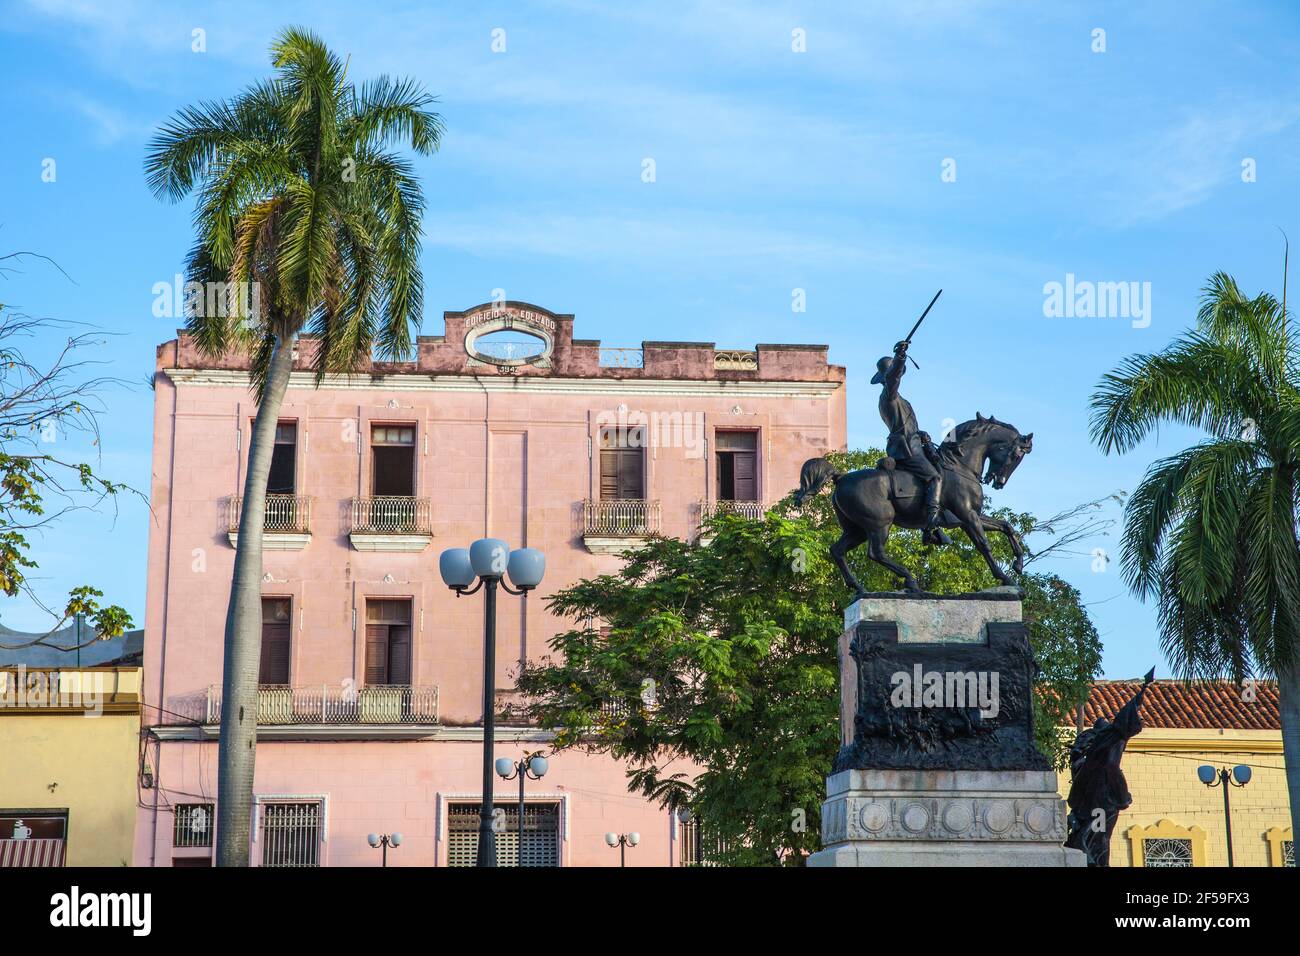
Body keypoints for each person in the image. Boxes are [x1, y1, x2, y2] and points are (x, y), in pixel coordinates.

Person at [869, 339, 943, 540]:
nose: (898, 376)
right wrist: (900, 356)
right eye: (895, 373)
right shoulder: (888, 397)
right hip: (906, 448)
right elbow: (893, 378)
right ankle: (931, 524)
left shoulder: (900, 399)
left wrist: (920, 434)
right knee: (935, 478)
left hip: (914, 443)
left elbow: (908, 426)